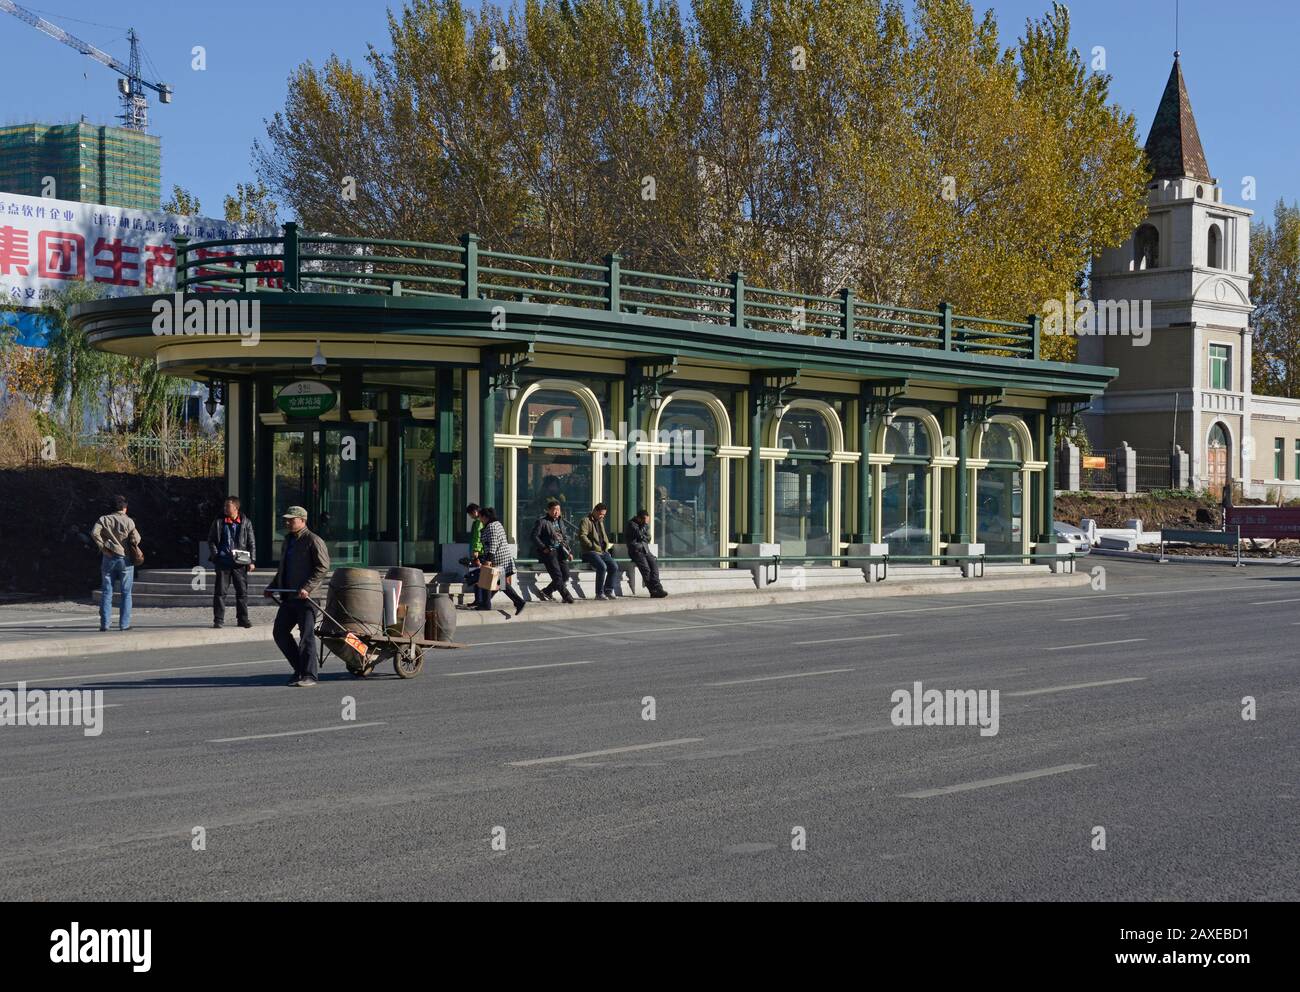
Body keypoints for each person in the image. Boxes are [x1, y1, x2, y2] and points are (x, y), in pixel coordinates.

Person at [264, 506, 330, 687]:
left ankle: (309, 675)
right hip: (289, 597)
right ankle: (299, 669)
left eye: (291, 520)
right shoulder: (288, 541)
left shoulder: (313, 540)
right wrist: (272, 586)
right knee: (280, 633)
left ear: (303, 520)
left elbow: (322, 567)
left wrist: (307, 587)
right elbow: (282, 569)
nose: (287, 522)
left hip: (307, 598)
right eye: (286, 519)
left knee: (306, 636)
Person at [92, 494, 141, 631]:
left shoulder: (104, 519)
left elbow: (94, 533)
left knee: (107, 591)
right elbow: (136, 538)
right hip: (125, 560)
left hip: (109, 557)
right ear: (124, 508)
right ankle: (124, 624)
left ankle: (105, 624)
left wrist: (102, 547)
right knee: (126, 592)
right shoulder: (129, 521)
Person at [207, 495, 256, 629]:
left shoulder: (246, 522)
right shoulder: (219, 521)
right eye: (224, 506)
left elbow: (251, 542)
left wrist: (252, 561)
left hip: (240, 563)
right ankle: (218, 620)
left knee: (242, 592)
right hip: (223, 562)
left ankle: (243, 619)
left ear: (235, 508)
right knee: (220, 592)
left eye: (227, 506)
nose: (225, 508)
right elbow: (211, 540)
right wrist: (216, 555)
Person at [478, 507, 525, 616]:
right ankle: (486, 603)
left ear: (485, 517)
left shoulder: (492, 527)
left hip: (498, 559)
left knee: (489, 581)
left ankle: (518, 602)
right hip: (501, 559)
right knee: (500, 583)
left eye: (480, 517)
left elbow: (493, 544)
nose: (480, 519)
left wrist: (488, 560)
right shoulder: (496, 524)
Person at [531, 499, 574, 603]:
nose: (556, 512)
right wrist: (543, 548)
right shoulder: (542, 521)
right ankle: (566, 596)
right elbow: (534, 536)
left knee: (566, 575)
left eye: (558, 510)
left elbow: (563, 538)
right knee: (557, 576)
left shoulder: (560, 521)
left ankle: (547, 591)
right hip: (550, 552)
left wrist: (569, 551)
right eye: (554, 510)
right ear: (548, 511)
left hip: (561, 551)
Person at [578, 502, 621, 600]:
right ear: (594, 511)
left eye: (604, 514)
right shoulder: (586, 521)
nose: (602, 516)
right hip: (590, 551)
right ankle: (599, 593)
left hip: (602, 551)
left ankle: (608, 590)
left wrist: (606, 548)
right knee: (602, 567)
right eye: (601, 514)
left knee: (614, 566)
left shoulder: (600, 521)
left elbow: (603, 536)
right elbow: (582, 535)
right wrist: (591, 545)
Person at [625, 508, 667, 598]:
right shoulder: (632, 524)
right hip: (636, 551)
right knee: (646, 570)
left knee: (654, 564)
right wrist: (643, 535)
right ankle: (653, 591)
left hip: (646, 550)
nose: (645, 522)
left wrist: (643, 535)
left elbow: (648, 538)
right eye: (643, 519)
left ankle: (658, 587)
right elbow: (639, 535)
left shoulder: (644, 525)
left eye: (647, 520)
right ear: (638, 518)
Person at [464, 503, 486, 609]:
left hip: (478, 553)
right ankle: (478, 599)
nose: (471, 516)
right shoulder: (479, 522)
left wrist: (476, 550)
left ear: (475, 512)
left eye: (470, 514)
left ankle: (479, 600)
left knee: (476, 577)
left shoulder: (478, 523)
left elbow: (477, 536)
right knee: (476, 577)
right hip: (477, 551)